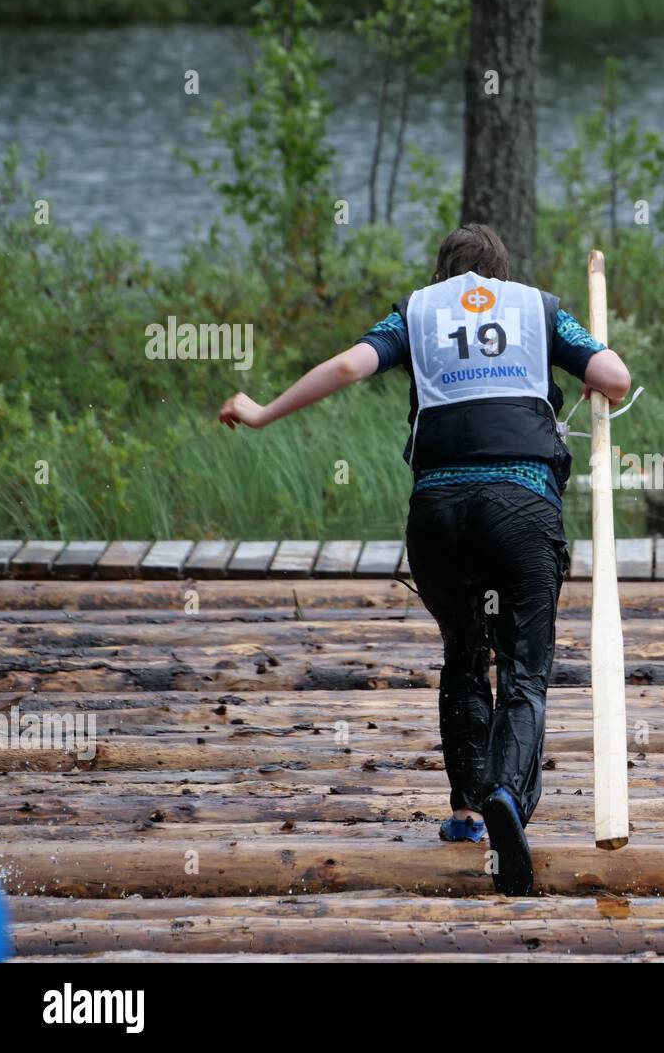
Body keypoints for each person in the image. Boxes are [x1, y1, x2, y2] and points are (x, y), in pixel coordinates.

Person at [219, 224, 630, 895]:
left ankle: (468, 811)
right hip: (522, 505)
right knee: (525, 667)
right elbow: (613, 375)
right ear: (502, 271)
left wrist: (262, 411)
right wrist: (591, 384)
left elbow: (351, 365)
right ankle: (506, 795)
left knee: (465, 653)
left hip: (438, 515)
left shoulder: (417, 309)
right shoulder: (539, 306)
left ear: (443, 273)